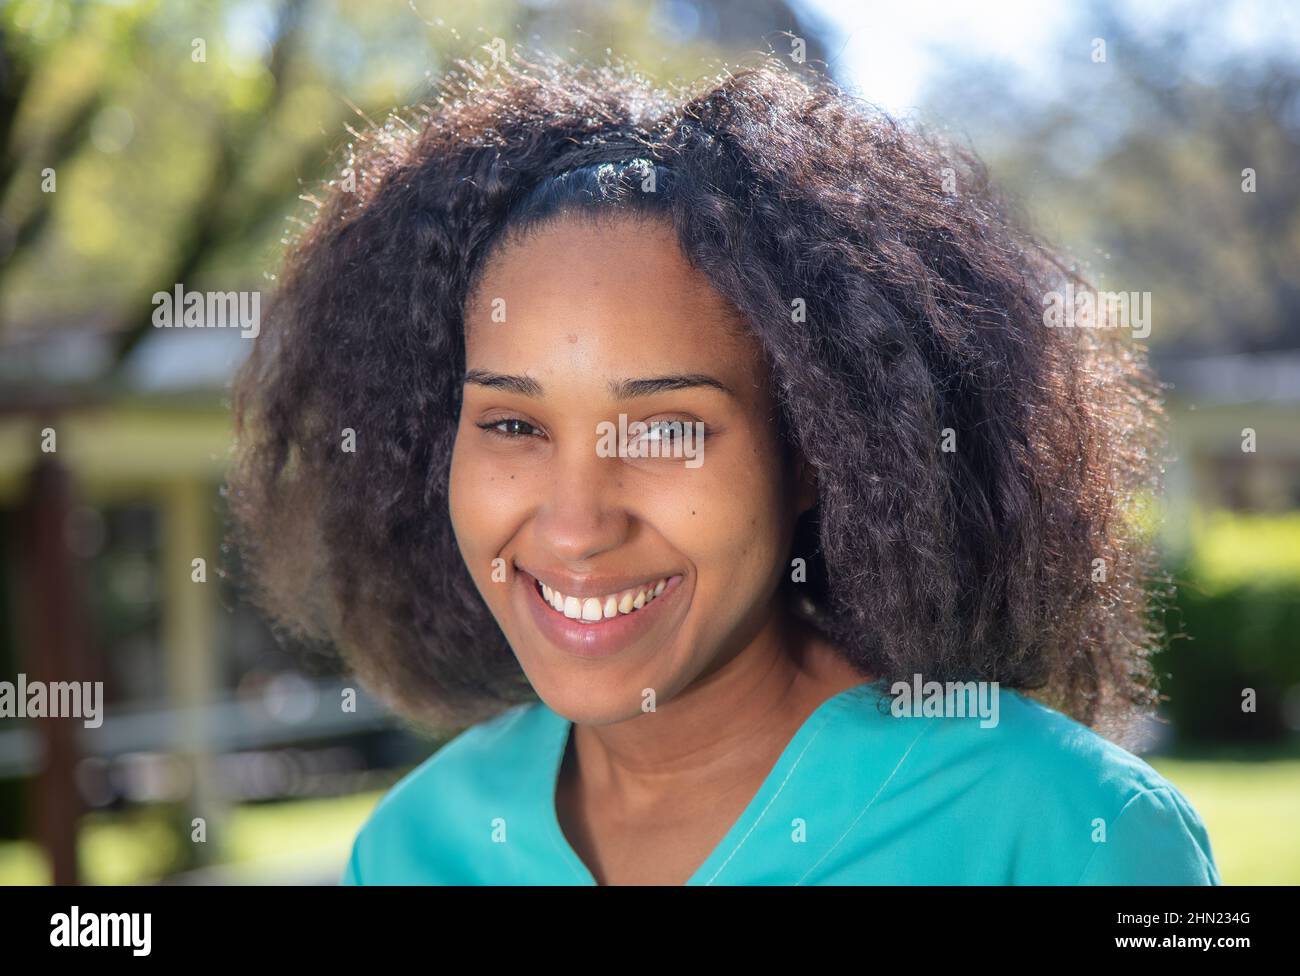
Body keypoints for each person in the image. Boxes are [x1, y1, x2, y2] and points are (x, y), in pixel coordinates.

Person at [227, 53, 1220, 885]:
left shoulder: (1068, 832)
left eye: (665, 429)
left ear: (817, 455)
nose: (575, 525)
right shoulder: (413, 852)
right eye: (513, 425)